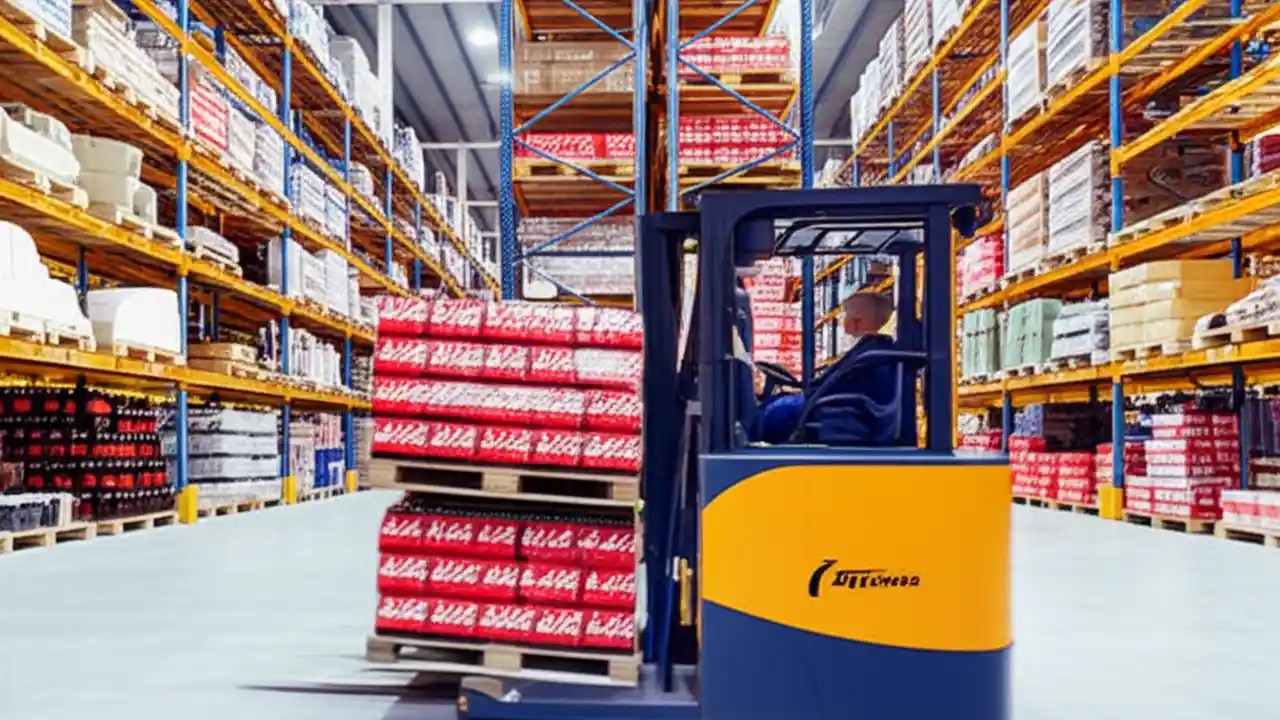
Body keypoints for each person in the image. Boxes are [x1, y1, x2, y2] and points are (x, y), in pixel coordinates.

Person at [753, 291, 899, 445]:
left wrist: (808, 391)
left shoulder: (869, 354)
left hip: (822, 412)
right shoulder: (873, 350)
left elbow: (834, 386)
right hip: (822, 408)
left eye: (845, 315)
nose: (842, 322)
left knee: (758, 418)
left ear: (858, 321)